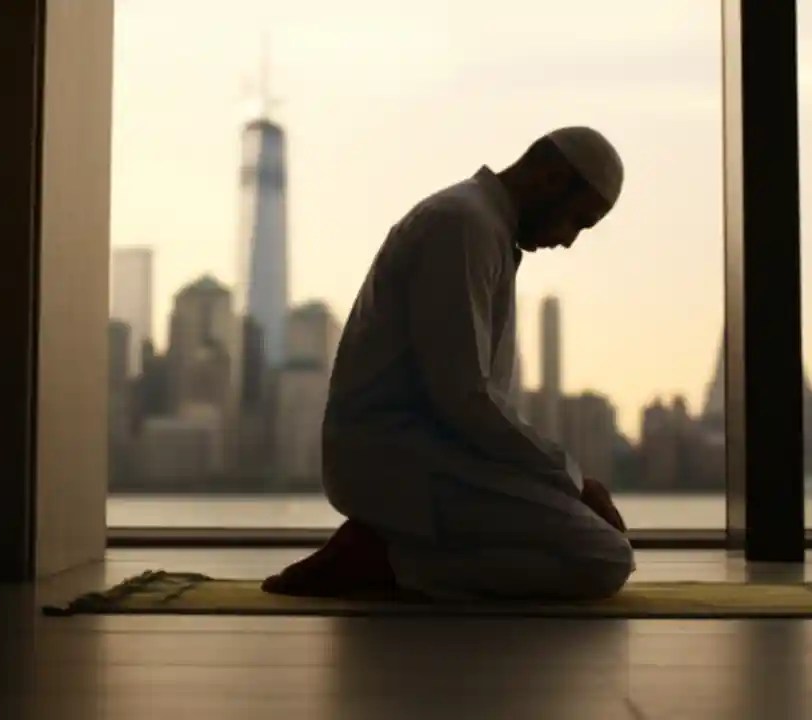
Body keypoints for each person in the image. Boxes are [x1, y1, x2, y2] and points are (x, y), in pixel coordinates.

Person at [262, 127, 633, 601]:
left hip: (436, 458)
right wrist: (575, 483)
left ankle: (387, 552)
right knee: (604, 559)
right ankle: (384, 561)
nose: (568, 242)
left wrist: (566, 482)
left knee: (596, 542)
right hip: (395, 461)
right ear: (549, 178)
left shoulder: (481, 227)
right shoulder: (463, 226)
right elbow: (462, 396)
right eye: (578, 221)